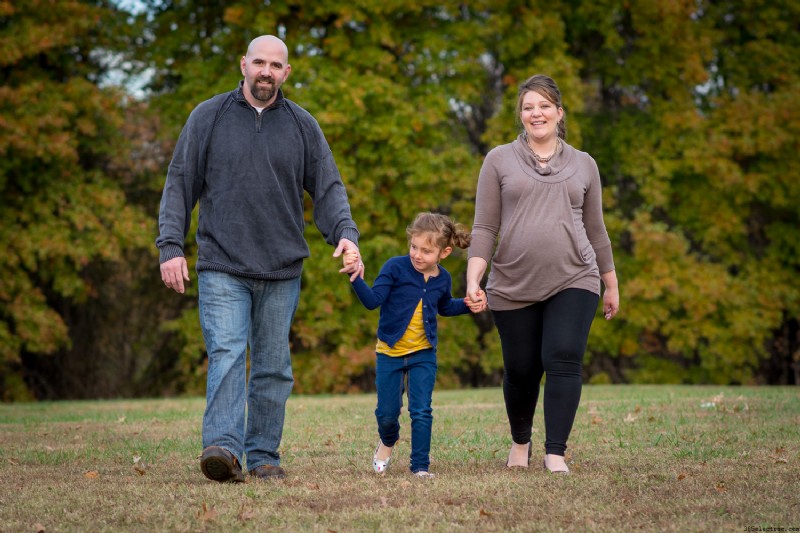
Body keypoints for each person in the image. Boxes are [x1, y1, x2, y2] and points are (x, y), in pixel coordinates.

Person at [156, 35, 364, 483]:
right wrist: (170, 246)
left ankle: (264, 455)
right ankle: (223, 451)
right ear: (243, 64)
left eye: (276, 64)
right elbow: (180, 182)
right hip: (221, 264)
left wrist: (346, 235)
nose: (266, 71)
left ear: (287, 72)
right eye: (259, 62)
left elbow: (328, 187)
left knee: (272, 366)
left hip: (282, 267)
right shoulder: (208, 117)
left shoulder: (303, 125)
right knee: (228, 353)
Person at [465, 74, 619, 474]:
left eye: (544, 106)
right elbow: (484, 228)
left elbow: (597, 229)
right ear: (521, 115)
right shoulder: (498, 159)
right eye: (528, 107)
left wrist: (610, 283)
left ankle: (555, 452)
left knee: (563, 357)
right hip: (513, 282)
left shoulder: (585, 164)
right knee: (521, 369)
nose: (537, 113)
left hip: (576, 276)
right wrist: (472, 280)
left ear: (559, 112)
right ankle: (521, 443)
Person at [346, 213, 484, 478]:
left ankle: (420, 467)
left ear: (444, 252)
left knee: (421, 410)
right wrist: (355, 277)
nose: (417, 255)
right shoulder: (395, 268)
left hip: (423, 353)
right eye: (414, 247)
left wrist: (468, 304)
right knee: (387, 414)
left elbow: (444, 306)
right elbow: (373, 301)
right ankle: (388, 440)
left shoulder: (443, 279)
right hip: (390, 353)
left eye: (426, 250)